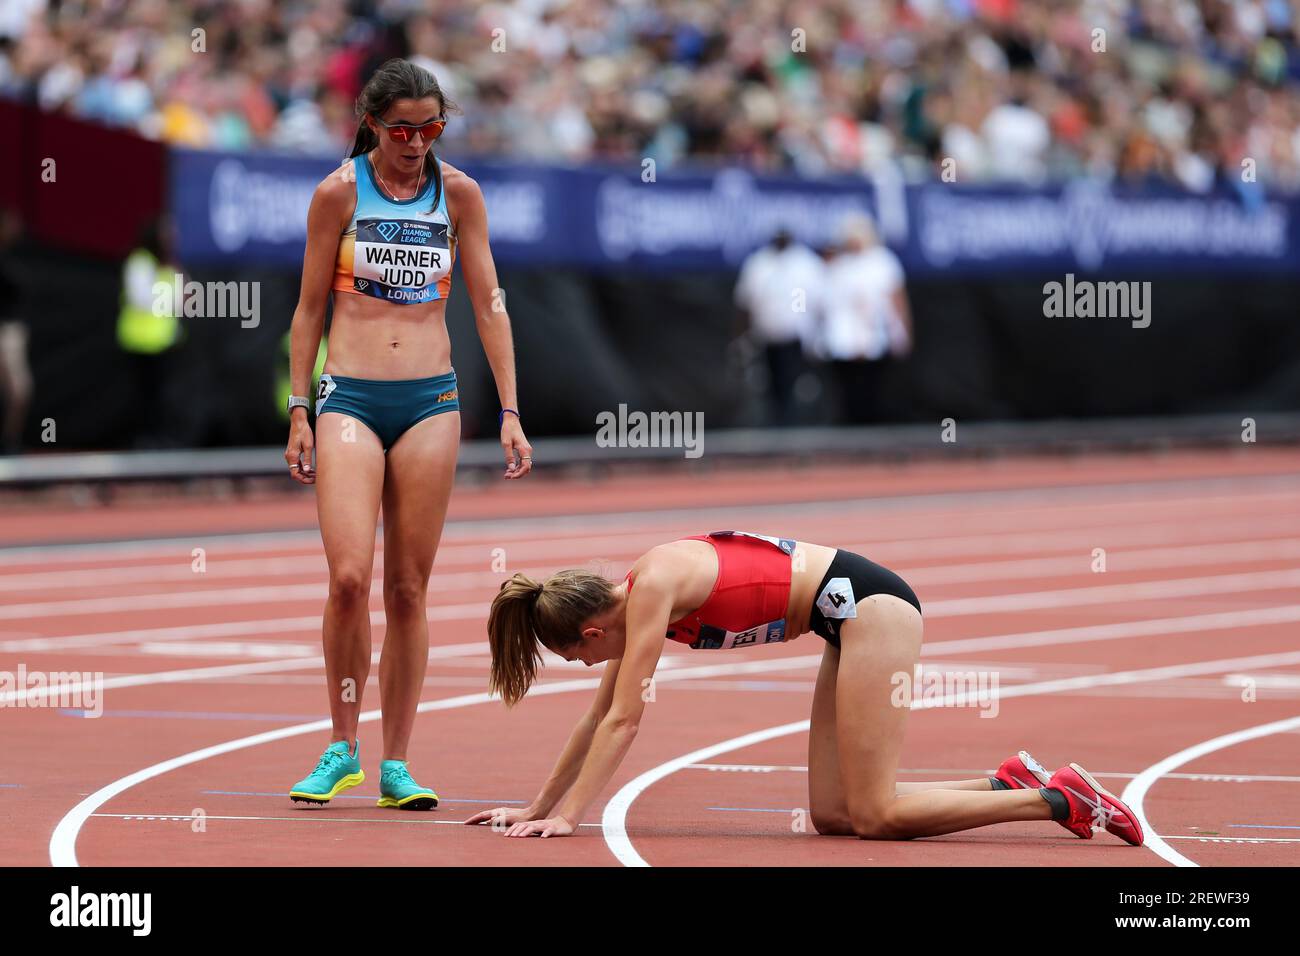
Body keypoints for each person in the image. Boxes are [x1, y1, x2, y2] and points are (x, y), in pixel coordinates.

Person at [467, 531, 1143, 844]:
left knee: (876, 816)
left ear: (591, 634)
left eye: (582, 659)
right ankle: (1004, 782)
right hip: (839, 619)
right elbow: (596, 719)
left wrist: (570, 818)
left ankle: (1060, 801)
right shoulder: (640, 601)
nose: (592, 669)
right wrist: (533, 806)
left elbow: (623, 722)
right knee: (835, 816)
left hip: (870, 606)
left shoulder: (655, 586)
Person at [284, 58, 533, 810]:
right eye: (402, 130)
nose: (416, 144)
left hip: (432, 400)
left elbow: (489, 304)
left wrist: (512, 410)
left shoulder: (460, 195)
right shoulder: (336, 194)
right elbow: (306, 314)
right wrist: (299, 407)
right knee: (350, 578)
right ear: (371, 124)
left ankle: (397, 762)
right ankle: (340, 745)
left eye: (431, 129)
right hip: (351, 398)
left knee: (408, 588)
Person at [818, 214, 912, 424]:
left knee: (876, 387)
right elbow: (826, 304)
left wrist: (902, 332)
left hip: (876, 335)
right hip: (843, 340)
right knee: (847, 389)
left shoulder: (883, 262)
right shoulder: (838, 266)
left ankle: (875, 428)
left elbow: (897, 299)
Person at [733, 228, 825, 426]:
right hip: (766, 335)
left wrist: (814, 331)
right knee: (769, 384)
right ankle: (776, 426)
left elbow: (816, 301)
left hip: (796, 337)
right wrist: (744, 334)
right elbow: (746, 300)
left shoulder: (805, 263)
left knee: (797, 385)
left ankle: (795, 424)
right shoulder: (759, 263)